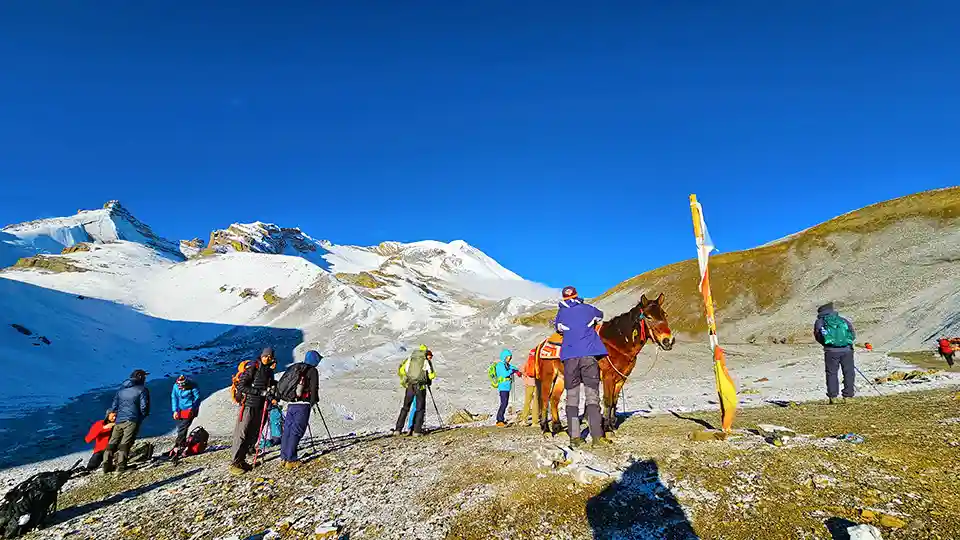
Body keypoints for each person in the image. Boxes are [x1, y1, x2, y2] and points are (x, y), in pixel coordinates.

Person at [555, 286, 610, 447]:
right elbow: (600, 315)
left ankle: (574, 437)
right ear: (577, 296)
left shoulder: (561, 313)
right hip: (588, 357)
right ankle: (597, 437)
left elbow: (558, 328)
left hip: (570, 358)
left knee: (572, 397)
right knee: (592, 395)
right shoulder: (588, 309)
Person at [230, 347, 277, 474]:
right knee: (242, 433)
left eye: (270, 356)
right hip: (248, 405)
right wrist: (259, 392)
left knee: (253, 434)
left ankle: (242, 460)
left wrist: (271, 396)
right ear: (261, 355)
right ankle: (235, 463)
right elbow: (242, 386)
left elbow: (268, 388)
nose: (267, 358)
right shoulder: (253, 367)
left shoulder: (269, 371)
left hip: (260, 406)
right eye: (265, 356)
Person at [103, 369, 151, 473]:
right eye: (144, 377)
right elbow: (144, 407)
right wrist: (142, 417)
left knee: (112, 442)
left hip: (119, 420)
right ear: (140, 377)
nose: (145, 379)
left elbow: (114, 407)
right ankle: (121, 466)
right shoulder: (142, 390)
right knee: (125, 443)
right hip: (132, 420)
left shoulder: (120, 391)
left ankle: (106, 465)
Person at [279, 350, 321, 469]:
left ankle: (284, 457)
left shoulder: (296, 367)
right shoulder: (312, 371)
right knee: (297, 431)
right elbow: (314, 388)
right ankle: (291, 459)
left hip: (291, 403)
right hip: (303, 405)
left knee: (288, 430)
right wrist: (313, 401)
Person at [814, 302, 857, 404]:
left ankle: (833, 397)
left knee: (832, 373)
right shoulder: (843, 320)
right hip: (847, 350)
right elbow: (852, 334)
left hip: (831, 351)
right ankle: (848, 396)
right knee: (849, 372)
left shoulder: (820, 322)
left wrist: (827, 344)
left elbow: (818, 336)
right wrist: (846, 343)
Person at [393, 345, 436, 437]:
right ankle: (416, 431)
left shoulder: (410, 358)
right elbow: (432, 375)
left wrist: (406, 380)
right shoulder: (425, 361)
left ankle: (398, 429)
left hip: (410, 385)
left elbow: (402, 370)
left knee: (405, 407)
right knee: (420, 408)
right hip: (420, 386)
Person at [170, 375, 201, 457]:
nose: (182, 388)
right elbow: (174, 397)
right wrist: (175, 410)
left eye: (183, 387)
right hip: (180, 410)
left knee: (183, 427)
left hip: (190, 409)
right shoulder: (175, 386)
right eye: (180, 386)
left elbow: (197, 398)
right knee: (180, 427)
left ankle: (178, 445)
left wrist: (193, 408)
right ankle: (180, 444)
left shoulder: (193, 386)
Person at [493, 350, 521, 427]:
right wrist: (512, 371)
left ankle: (501, 419)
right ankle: (499, 420)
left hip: (507, 387)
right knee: (503, 403)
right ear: (504, 357)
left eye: (510, 357)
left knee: (505, 403)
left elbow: (513, 367)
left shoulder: (506, 365)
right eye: (508, 357)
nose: (509, 359)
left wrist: (516, 370)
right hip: (502, 387)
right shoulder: (500, 365)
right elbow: (505, 374)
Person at [518, 349, 540, 427]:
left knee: (527, 401)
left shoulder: (527, 362)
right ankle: (535, 422)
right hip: (537, 384)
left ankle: (524, 420)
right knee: (536, 402)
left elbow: (521, 371)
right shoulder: (539, 362)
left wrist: (525, 377)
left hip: (528, 384)